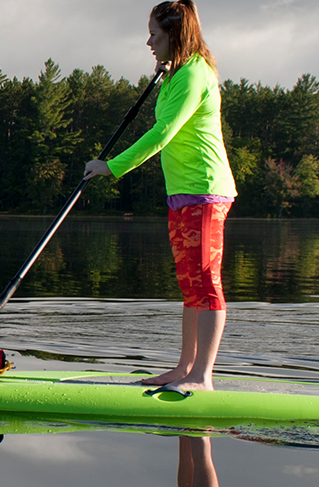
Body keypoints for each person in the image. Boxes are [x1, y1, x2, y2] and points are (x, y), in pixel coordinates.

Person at [82, 0, 235, 393]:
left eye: (155, 34)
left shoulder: (195, 75)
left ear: (175, 36)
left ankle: (203, 376)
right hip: (181, 192)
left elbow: (162, 134)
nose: (148, 42)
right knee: (189, 285)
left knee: (206, 283)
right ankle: (185, 368)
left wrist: (112, 165)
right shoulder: (176, 75)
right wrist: (166, 73)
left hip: (205, 190)